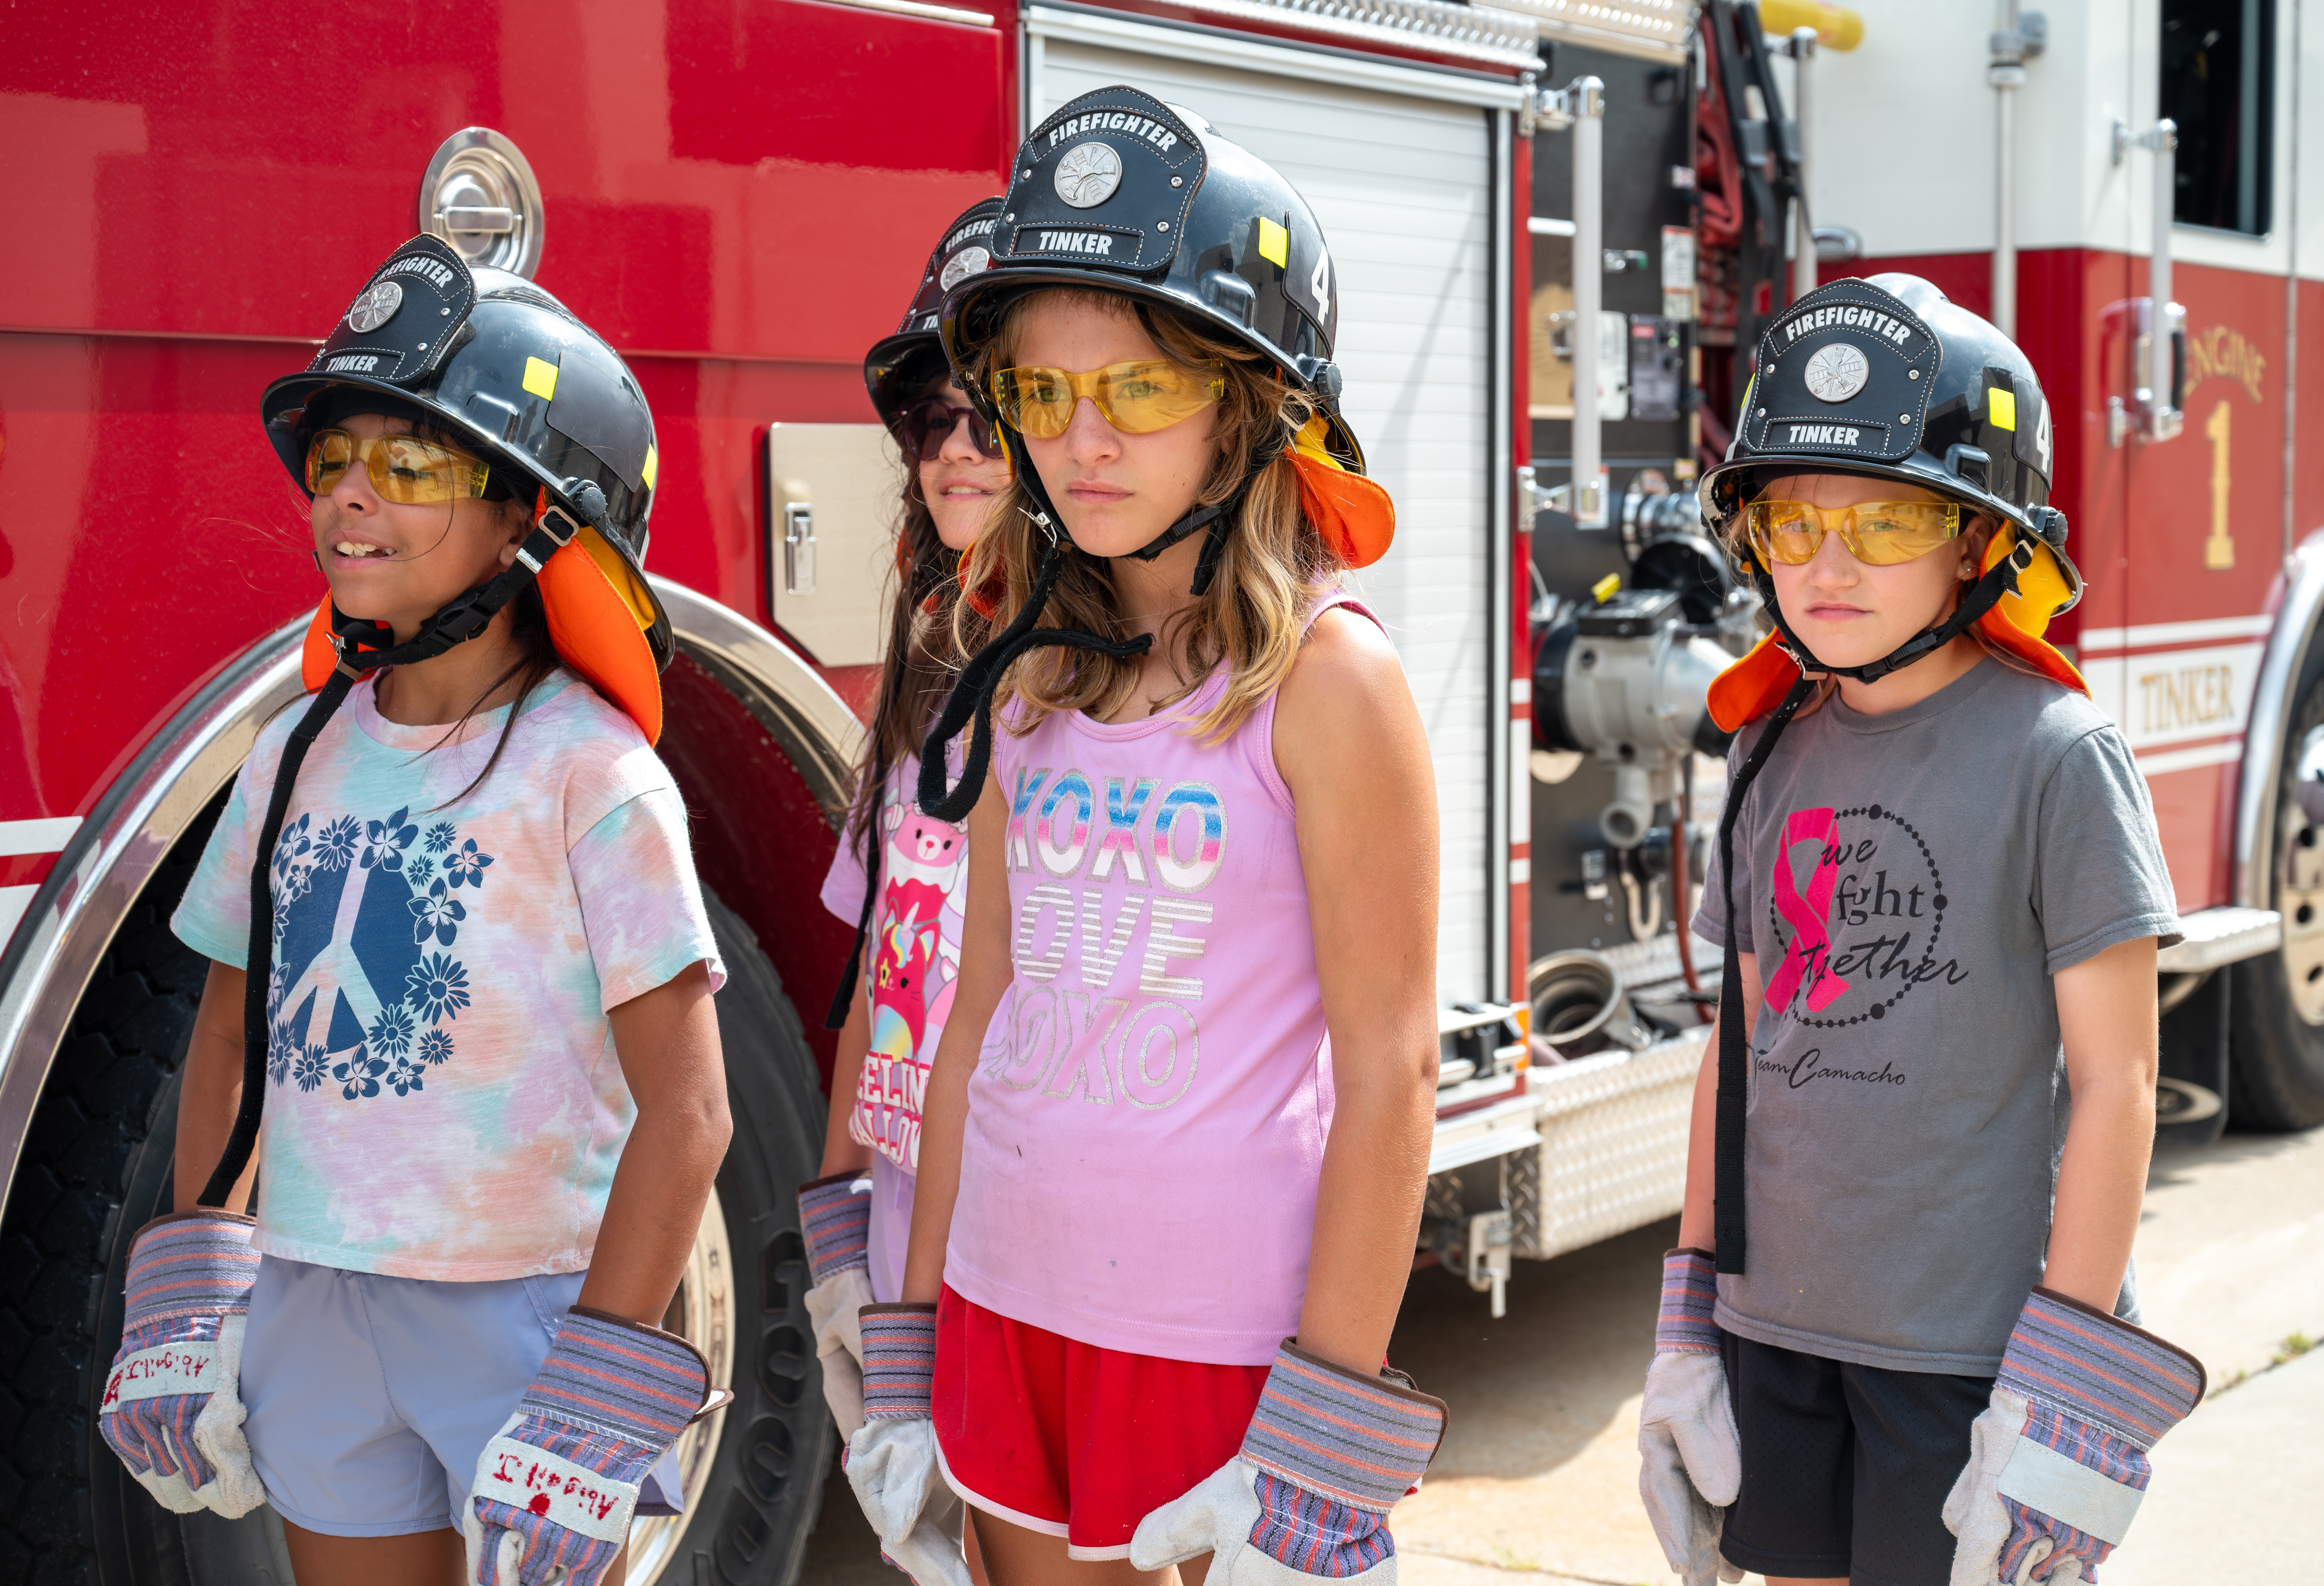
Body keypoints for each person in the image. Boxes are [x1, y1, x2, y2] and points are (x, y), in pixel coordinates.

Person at [840, 87, 1448, 1586]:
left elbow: (1392, 1067)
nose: (1082, 440)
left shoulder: (1329, 678)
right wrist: (914, 1343)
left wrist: (1323, 1433)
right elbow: (975, 1020)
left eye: (1142, 391)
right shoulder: (1020, 669)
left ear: (1248, 406)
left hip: (1217, 1338)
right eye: (1040, 398)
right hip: (1002, 1300)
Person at [97, 235, 733, 1586]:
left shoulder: (596, 778)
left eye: (413, 464)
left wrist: (603, 1378)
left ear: (536, 519)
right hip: (315, 1298)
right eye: (334, 462)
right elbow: (229, 1035)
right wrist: (205, 1266)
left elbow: (689, 1109)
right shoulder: (289, 758)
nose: (350, 501)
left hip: (529, 1317)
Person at [1637, 274, 2206, 1586]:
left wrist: (2056, 1390)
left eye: (1887, 519)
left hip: (1968, 1357)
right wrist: (1687, 1320)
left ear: (1977, 541)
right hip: (1776, 1329)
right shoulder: (1770, 742)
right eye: (1794, 519)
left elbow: (2120, 1085)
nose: (1829, 565)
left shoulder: (2059, 755)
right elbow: (1737, 1047)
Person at [797, 196, 1006, 1585]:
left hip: (1013, 1239)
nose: (955, 451)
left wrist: (927, 1302)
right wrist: (832, 1222)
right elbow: (886, 970)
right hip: (900, 1223)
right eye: (933, 418)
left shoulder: (1086, 716)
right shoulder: (924, 694)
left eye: (998, 413)